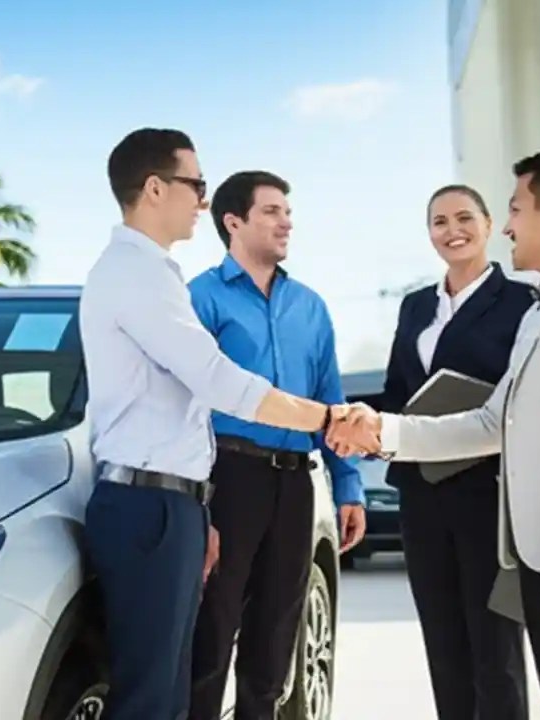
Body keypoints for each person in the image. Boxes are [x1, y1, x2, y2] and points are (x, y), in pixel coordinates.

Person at [79, 127, 349, 720]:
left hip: (174, 502)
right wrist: (329, 417)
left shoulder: (152, 273)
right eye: (195, 183)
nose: (202, 198)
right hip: (148, 505)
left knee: (170, 691)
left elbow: (192, 404)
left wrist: (200, 507)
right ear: (155, 188)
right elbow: (219, 381)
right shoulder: (138, 275)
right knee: (156, 696)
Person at [329, 149, 540, 720]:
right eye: (439, 221)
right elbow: (488, 421)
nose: (506, 226)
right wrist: (380, 428)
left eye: (512, 210)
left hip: (538, 529)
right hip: (485, 520)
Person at [184, 170, 366, 720]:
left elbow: (331, 400)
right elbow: (185, 403)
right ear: (233, 221)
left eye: (287, 210)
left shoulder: (310, 306)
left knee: (276, 637)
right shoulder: (201, 297)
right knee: (212, 635)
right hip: (228, 478)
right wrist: (199, 500)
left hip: (296, 481)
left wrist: (348, 484)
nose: (286, 220)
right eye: (271, 211)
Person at [374, 184, 533, 720]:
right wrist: (366, 429)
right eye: (439, 222)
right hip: (421, 493)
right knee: (443, 642)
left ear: (488, 225)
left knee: (495, 647)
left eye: (464, 217)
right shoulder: (416, 305)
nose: (452, 230)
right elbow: (400, 390)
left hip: (486, 492)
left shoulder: (522, 301)